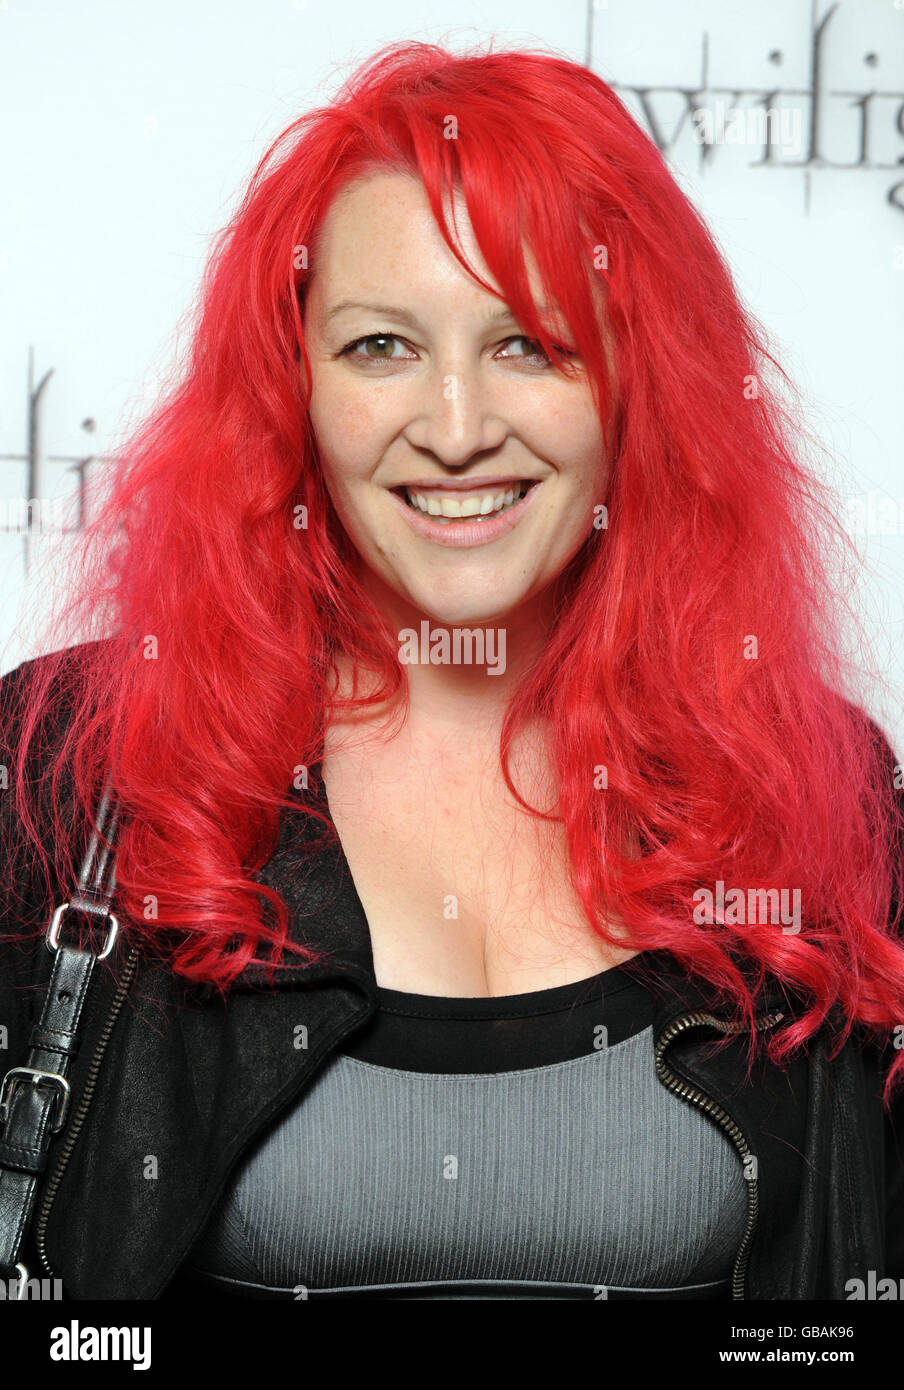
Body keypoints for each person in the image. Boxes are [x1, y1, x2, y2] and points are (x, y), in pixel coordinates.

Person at [0, 39, 902, 1303]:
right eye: (381, 347)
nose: (460, 425)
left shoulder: (813, 777)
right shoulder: (73, 762)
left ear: (640, 385)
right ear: (290, 387)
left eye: (529, 343)